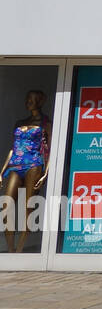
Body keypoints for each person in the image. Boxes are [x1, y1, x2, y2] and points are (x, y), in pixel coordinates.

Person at [1, 90, 51, 253]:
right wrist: (1, 172)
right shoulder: (19, 122)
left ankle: (20, 249)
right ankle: (10, 249)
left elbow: (50, 149)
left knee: (28, 207)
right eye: (27, 98)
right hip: (15, 164)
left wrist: (45, 172)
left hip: (34, 164)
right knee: (6, 204)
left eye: (32, 99)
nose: (28, 102)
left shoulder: (45, 124)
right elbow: (12, 149)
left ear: (40, 101)